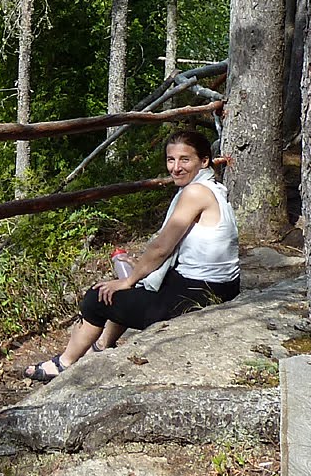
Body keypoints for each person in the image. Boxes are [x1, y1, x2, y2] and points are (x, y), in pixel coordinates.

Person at [24, 127, 240, 382]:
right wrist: (137, 271)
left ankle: (64, 363)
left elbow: (162, 247)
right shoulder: (212, 188)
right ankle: (103, 345)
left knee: (97, 297)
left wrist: (128, 280)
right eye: (171, 160)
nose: (176, 167)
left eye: (185, 159)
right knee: (134, 281)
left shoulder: (195, 192)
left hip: (199, 294)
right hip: (221, 287)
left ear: (204, 161)